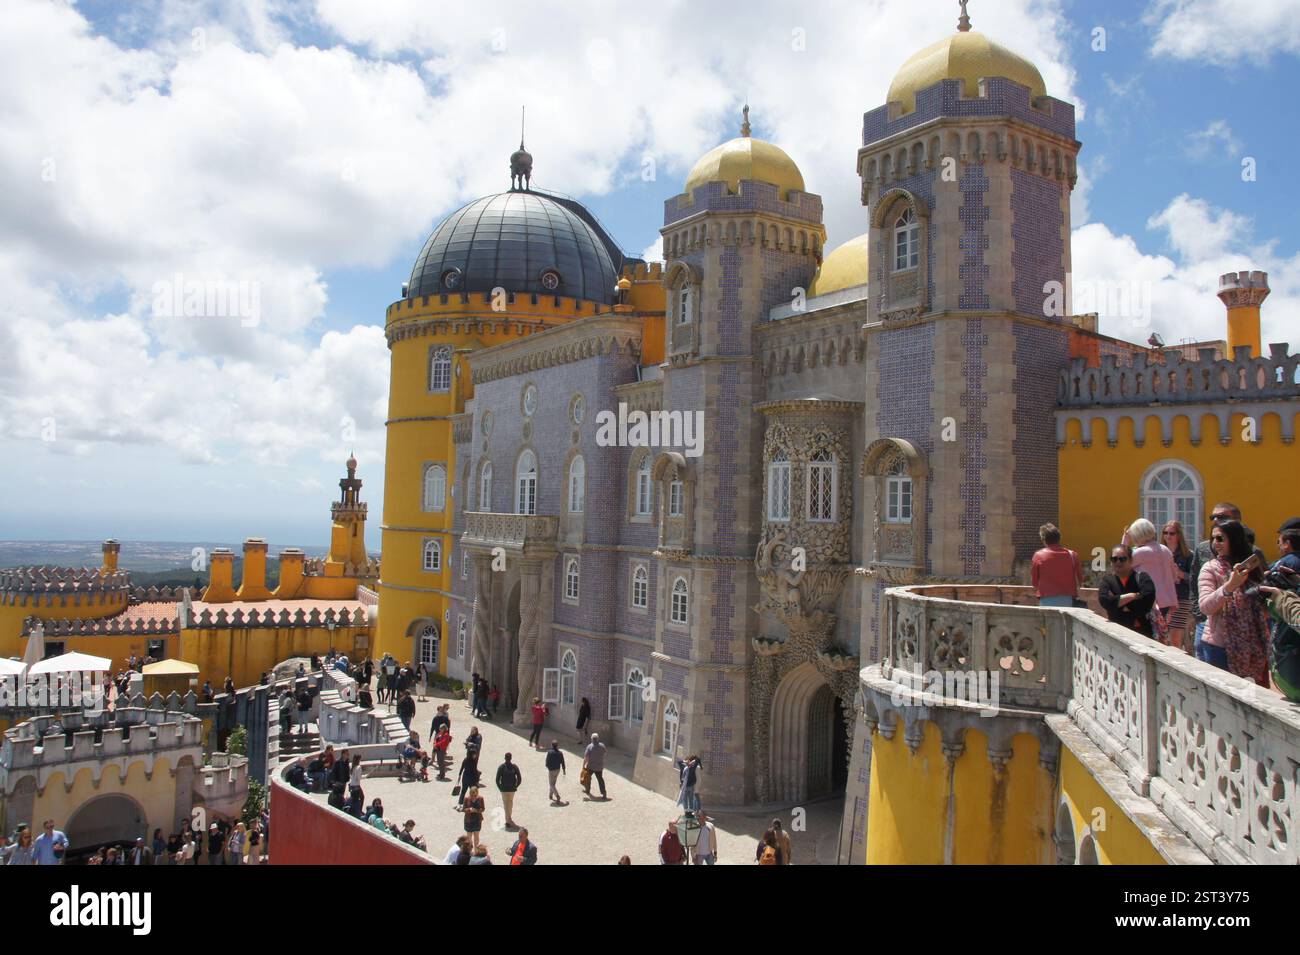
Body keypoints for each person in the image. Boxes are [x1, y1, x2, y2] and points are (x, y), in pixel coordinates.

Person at [1198, 519, 1270, 685]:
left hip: (1252, 644)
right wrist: (1229, 587)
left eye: (1220, 538)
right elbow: (1205, 607)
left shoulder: (1250, 568)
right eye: (1213, 538)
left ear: (1235, 539)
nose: (1216, 543)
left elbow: (1262, 607)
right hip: (1219, 646)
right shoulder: (1210, 568)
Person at [1190, 502, 1266, 657]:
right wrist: (1229, 586)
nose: (1215, 543)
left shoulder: (1253, 557)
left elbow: (1260, 597)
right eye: (1213, 517)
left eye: (1222, 517)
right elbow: (1195, 585)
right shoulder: (1207, 560)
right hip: (1218, 638)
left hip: (1251, 639)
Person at [1124, 518, 1179, 643]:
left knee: (1144, 639)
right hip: (1165, 602)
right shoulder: (1166, 550)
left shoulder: (1140, 552)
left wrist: (1125, 542)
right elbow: (1174, 576)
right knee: (1160, 638)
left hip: (1148, 602)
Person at [1098, 546, 1156, 636]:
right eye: (1114, 559)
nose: (1118, 562)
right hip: (1114, 633)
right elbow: (1105, 601)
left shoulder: (1142, 578)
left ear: (1131, 560)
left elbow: (1147, 600)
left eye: (1122, 559)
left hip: (1141, 633)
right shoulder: (1107, 580)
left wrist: (1117, 604)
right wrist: (1133, 596)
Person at [1031, 523, 1083, 607]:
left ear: (1044, 540)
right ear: (1059, 538)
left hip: (1046, 599)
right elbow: (1081, 579)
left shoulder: (1038, 555)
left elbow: (1034, 582)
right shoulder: (1072, 555)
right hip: (1069, 599)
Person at [1163, 520, 1196, 652]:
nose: (1168, 536)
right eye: (1165, 533)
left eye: (1172, 533)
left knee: (1175, 638)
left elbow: (1193, 579)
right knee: (1162, 637)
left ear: (1179, 535)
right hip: (1163, 597)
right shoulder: (1160, 553)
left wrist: (1180, 574)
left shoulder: (1188, 555)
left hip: (1181, 597)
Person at [495, 752, 522, 829]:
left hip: (505, 789)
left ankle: (508, 819)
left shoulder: (501, 767)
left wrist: (500, 788)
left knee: (507, 804)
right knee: (509, 804)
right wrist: (516, 786)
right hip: (511, 789)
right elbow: (519, 779)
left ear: (505, 758)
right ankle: (508, 820)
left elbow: (497, 779)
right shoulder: (514, 767)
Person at [582, 733, 608, 799]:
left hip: (590, 766)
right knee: (600, 780)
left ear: (591, 739)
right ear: (598, 739)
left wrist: (583, 765)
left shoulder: (589, 747)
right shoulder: (602, 746)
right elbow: (605, 754)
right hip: (599, 767)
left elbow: (586, 757)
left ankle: (587, 790)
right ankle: (604, 793)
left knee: (587, 778)